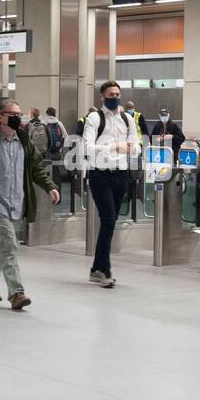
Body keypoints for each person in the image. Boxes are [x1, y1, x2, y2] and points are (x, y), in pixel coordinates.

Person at [0, 98, 59, 310]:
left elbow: (36, 169)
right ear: (0, 117)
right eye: (12, 115)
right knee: (10, 245)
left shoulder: (24, 142)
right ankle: (16, 293)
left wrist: (50, 186)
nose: (16, 118)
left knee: (4, 247)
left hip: (18, 203)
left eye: (19, 115)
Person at [82, 81, 140, 288]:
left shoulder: (127, 119)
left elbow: (136, 144)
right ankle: (103, 269)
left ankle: (96, 268)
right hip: (100, 174)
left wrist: (131, 149)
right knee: (107, 219)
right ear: (102, 97)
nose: (114, 97)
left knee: (111, 221)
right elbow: (87, 146)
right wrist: (113, 146)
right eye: (110, 94)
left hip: (121, 174)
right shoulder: (95, 118)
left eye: (117, 94)